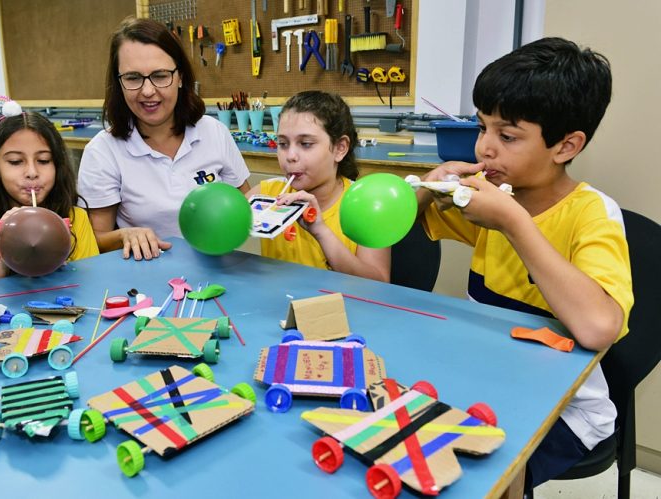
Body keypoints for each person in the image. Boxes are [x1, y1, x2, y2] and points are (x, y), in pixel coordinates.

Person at [413, 37, 633, 492]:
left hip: (568, 409)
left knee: (478, 475)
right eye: (482, 128)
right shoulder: (490, 198)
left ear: (566, 146)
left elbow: (598, 327)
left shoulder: (592, 214)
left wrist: (513, 223)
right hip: (490, 376)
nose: (484, 149)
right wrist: (426, 188)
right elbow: (399, 228)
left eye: (507, 136)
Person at [78, 17, 251, 260]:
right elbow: (94, 239)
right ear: (118, 83)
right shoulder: (103, 151)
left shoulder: (213, 132)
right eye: (133, 78)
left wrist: (276, 205)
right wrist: (125, 235)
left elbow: (245, 205)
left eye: (160, 75)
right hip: (146, 277)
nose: (148, 91)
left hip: (220, 269)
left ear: (180, 77)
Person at [0, 111, 99, 291]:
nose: (32, 172)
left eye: (44, 160)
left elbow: (92, 286)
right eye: (16, 161)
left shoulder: (75, 217)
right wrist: (3, 255)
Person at [247, 91, 390, 282]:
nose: (290, 156)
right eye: (283, 143)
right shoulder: (265, 194)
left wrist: (320, 231)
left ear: (340, 148)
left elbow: (378, 285)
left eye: (306, 144)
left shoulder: (367, 206)